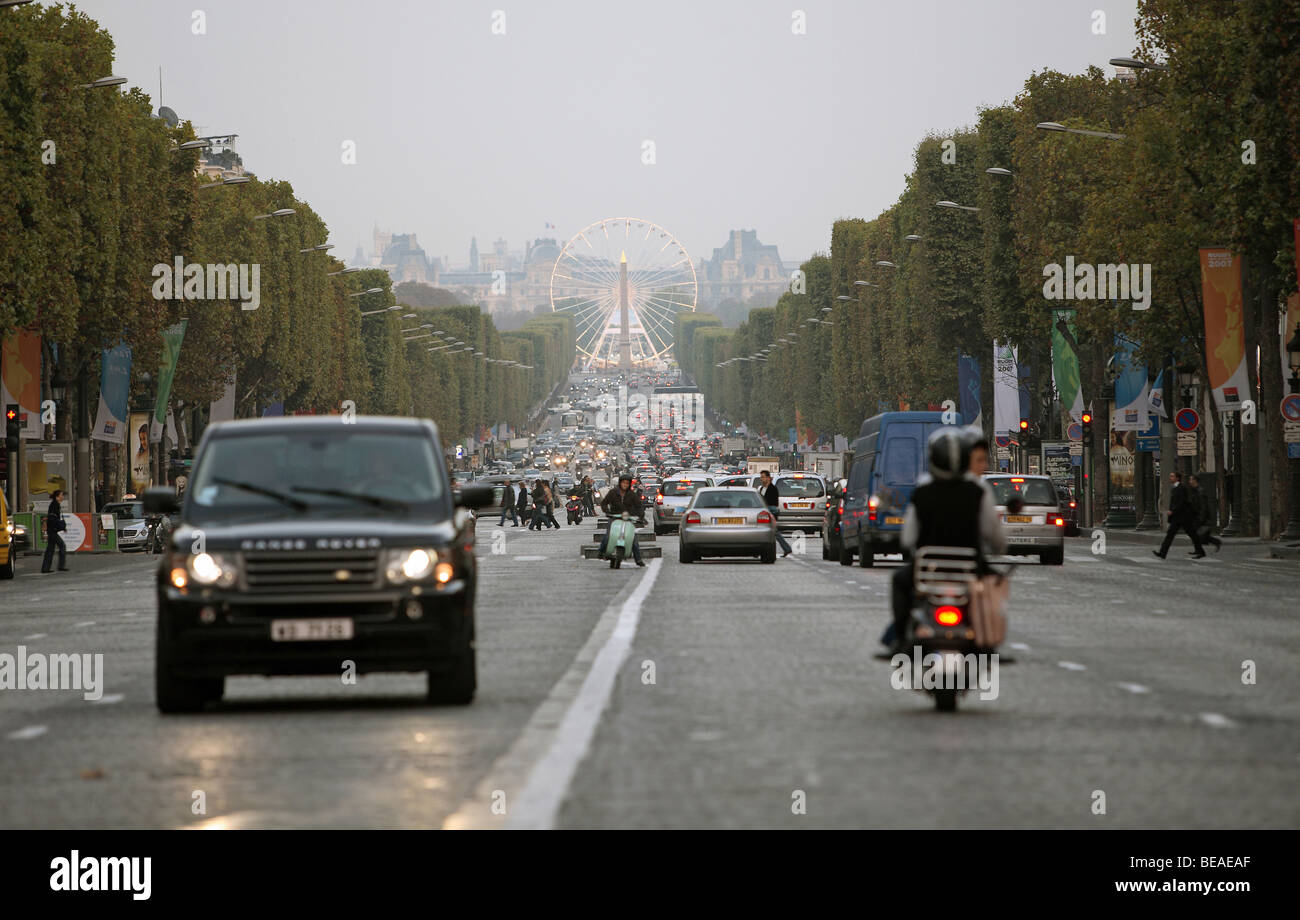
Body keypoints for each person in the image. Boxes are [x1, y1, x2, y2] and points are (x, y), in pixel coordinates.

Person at [887, 429, 1006, 656]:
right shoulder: (978, 492)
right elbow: (995, 537)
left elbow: (908, 537)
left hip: (928, 571)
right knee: (994, 585)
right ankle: (987, 640)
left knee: (899, 581)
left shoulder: (923, 490)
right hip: (969, 570)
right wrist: (999, 549)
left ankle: (901, 639)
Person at [1154, 470, 1205, 559]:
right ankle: (1162, 553)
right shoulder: (1174, 488)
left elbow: (1181, 502)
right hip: (1178, 517)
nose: (1170, 478)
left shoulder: (1181, 488)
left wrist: (1172, 511)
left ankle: (1200, 551)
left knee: (1191, 533)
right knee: (1172, 535)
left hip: (1182, 516)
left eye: (1172, 476)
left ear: (1177, 478)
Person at [599, 473, 645, 566]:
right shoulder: (613, 492)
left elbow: (639, 506)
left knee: (633, 539)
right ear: (620, 483)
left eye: (627, 483)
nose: (625, 485)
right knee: (608, 535)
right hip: (614, 517)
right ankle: (601, 552)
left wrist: (641, 517)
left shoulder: (632, 495)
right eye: (623, 483)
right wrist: (607, 512)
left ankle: (638, 559)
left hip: (627, 519)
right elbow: (604, 503)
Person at [756, 469, 792, 558]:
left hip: (771, 514)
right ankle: (786, 549)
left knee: (775, 532)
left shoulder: (773, 489)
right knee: (773, 533)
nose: (761, 479)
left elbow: (773, 503)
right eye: (761, 477)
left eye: (763, 477)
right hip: (764, 514)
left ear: (768, 478)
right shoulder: (761, 488)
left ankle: (787, 548)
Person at [1188, 472, 1221, 553]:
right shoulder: (1195, 490)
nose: (1189, 481)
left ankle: (1214, 543)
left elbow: (1203, 505)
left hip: (1200, 516)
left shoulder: (1200, 491)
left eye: (1191, 479)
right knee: (1199, 534)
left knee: (1198, 534)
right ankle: (1201, 548)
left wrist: (1202, 517)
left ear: (1195, 480)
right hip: (1196, 515)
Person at [41, 488, 69, 574]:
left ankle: (46, 568)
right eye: (61, 495)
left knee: (50, 549)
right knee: (62, 546)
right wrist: (59, 526)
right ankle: (60, 566)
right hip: (52, 530)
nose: (62, 497)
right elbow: (53, 518)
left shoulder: (55, 504)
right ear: (57, 497)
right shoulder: (55, 505)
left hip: (52, 530)